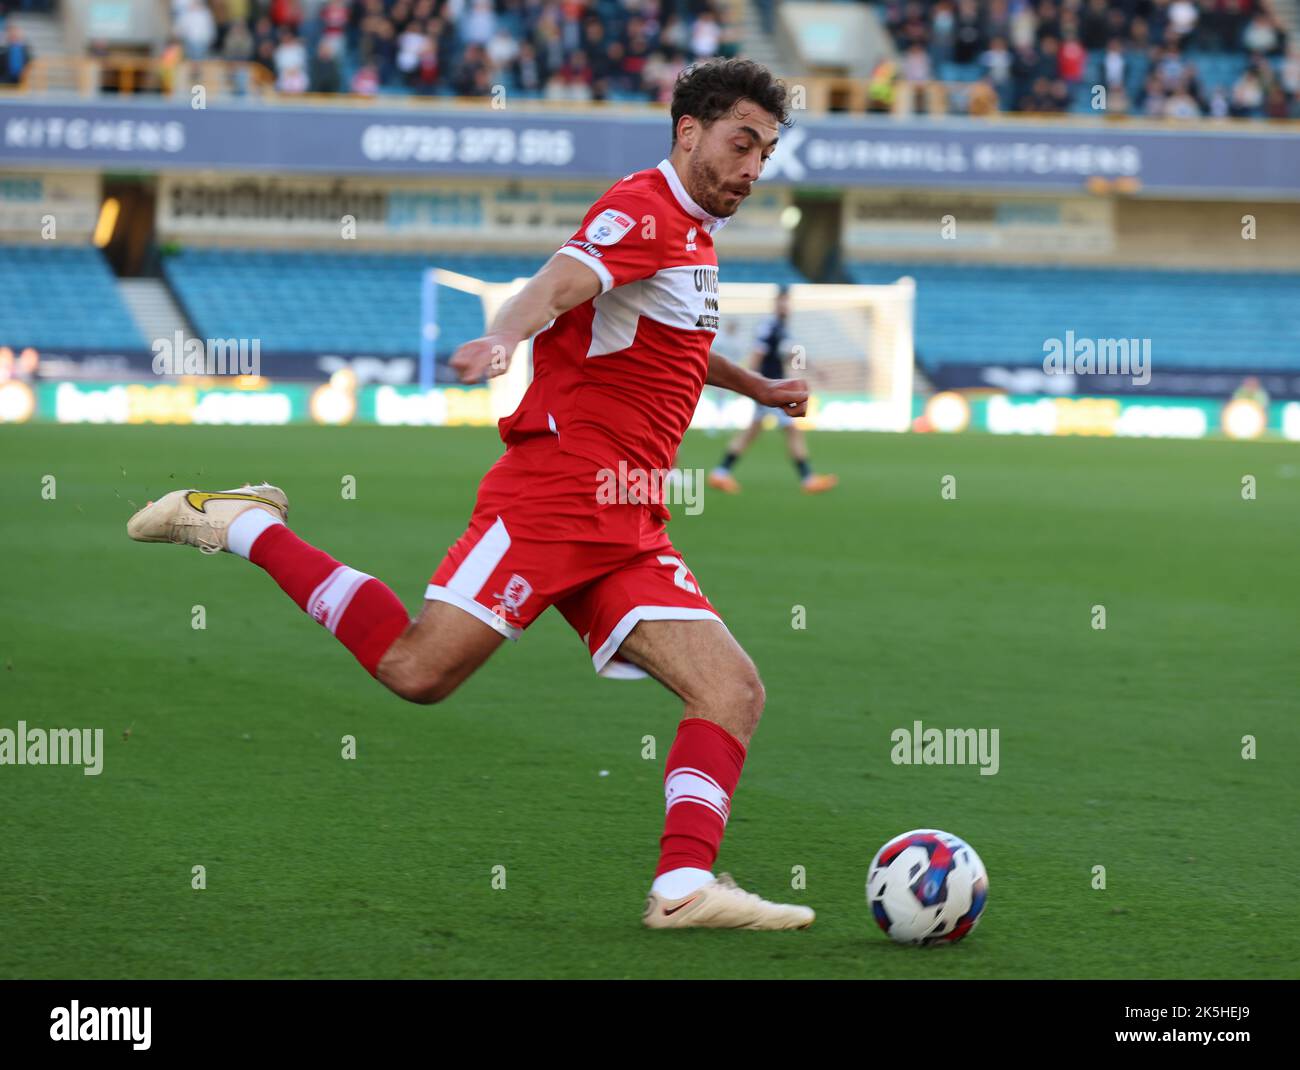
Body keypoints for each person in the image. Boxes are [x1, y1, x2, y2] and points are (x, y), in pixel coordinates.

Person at [127, 59, 815, 932]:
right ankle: (243, 524)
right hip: (557, 495)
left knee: (732, 690)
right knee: (418, 671)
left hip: (629, 514)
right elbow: (556, 284)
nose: (754, 168)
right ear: (690, 133)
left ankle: (682, 888)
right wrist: (503, 337)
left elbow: (667, 337)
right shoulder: (642, 208)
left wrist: (753, 388)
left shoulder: (691, 235)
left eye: (767, 151)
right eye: (741, 143)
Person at [707, 286, 838, 495]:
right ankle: (807, 478)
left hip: (772, 389)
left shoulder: (781, 328)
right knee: (791, 430)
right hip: (768, 389)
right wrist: (751, 382)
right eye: (782, 301)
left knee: (754, 431)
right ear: (776, 303)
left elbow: (791, 355)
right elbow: (758, 354)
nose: (785, 305)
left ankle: (720, 473)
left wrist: (816, 370)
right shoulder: (768, 327)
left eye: (788, 301)